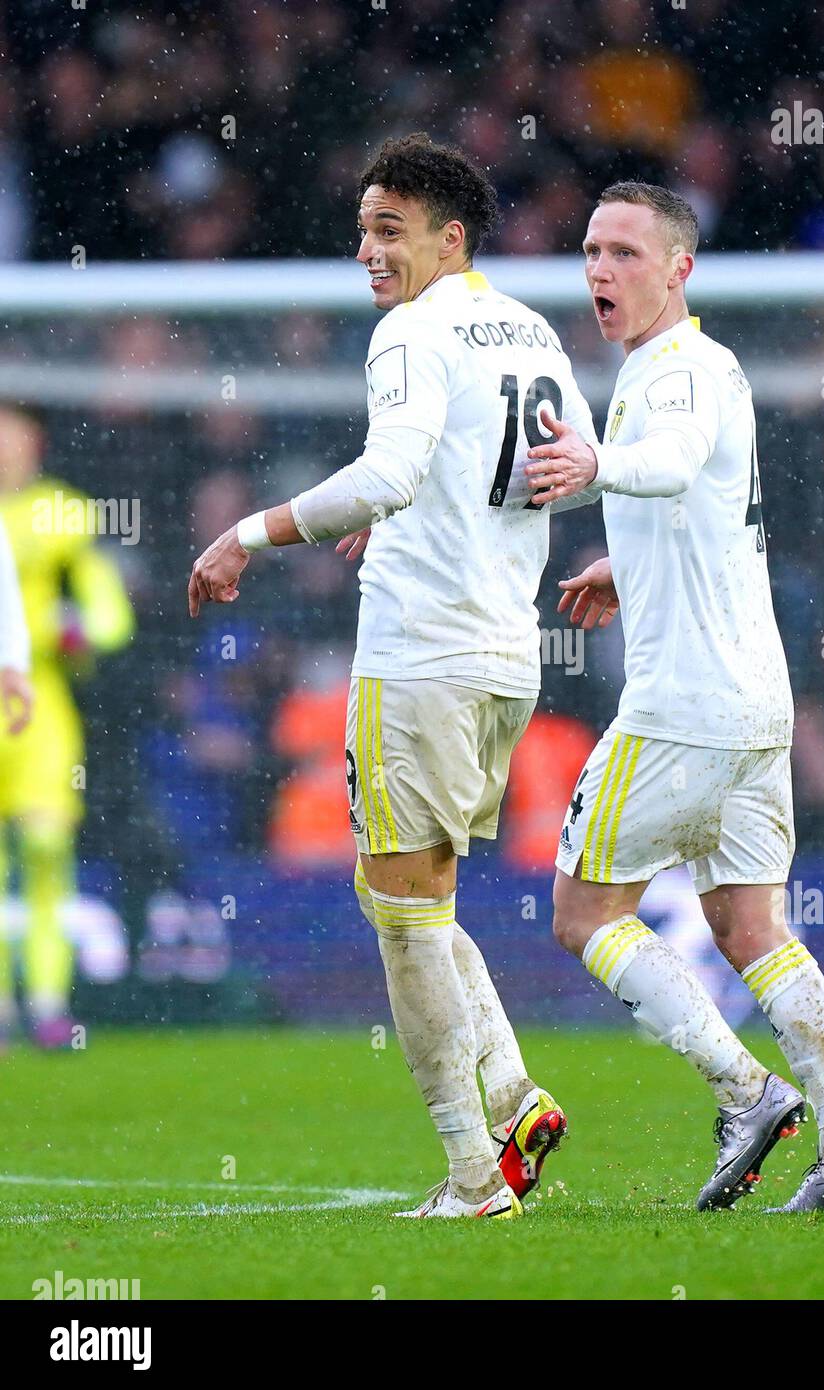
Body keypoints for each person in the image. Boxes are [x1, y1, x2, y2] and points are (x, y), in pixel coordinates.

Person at [189, 134, 600, 1219]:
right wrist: (421, 518)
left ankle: (474, 1173)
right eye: (363, 227)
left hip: (419, 653)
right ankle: (511, 1092)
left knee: (405, 918)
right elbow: (554, 471)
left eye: (390, 230)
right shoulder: (532, 329)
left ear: (447, 238)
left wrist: (247, 532)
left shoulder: (409, 331)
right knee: (405, 895)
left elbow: (392, 467)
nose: (369, 251)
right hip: (505, 657)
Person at [526, 182, 824, 1213]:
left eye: (626, 254)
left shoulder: (674, 370)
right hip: (756, 701)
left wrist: (598, 465)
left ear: (679, 268)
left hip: (682, 705)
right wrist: (624, 564)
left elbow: (673, 459)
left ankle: (744, 1090)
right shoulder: (696, 367)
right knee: (748, 924)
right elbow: (698, 500)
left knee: (581, 910)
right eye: (590, 250)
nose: (600, 270)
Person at [0, 406, 135, 1047]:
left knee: (46, 847)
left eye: (13, 439)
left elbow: (107, 607)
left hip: (39, 703)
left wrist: (78, 629)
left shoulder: (61, 512)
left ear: (36, 445)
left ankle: (49, 1002)